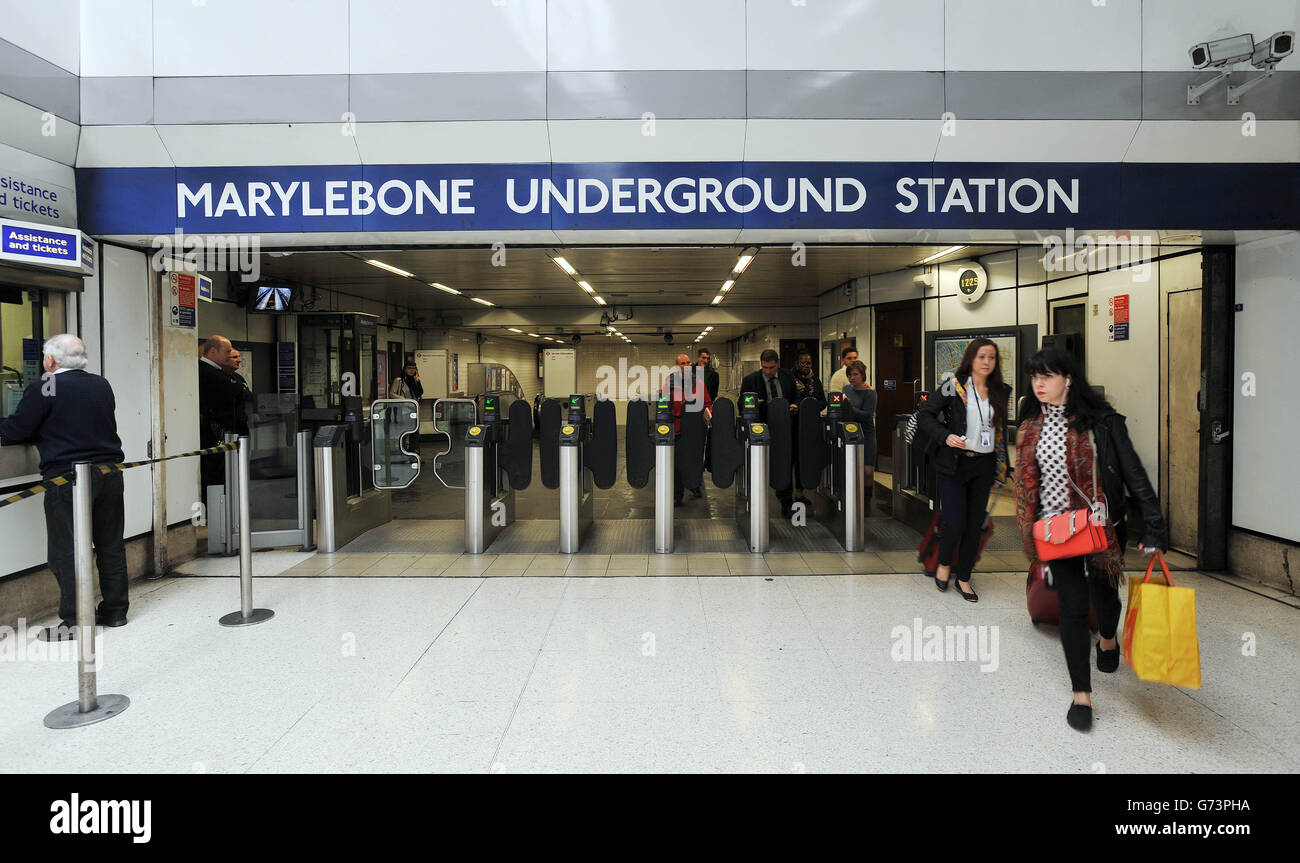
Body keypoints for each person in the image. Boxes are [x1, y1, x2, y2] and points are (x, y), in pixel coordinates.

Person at [1015, 347, 1167, 732]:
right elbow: (1027, 482)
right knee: (1072, 606)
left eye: (1047, 376)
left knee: (1104, 595)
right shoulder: (1030, 424)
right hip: (1056, 530)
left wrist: (1154, 525)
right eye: (1035, 377)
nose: (1039, 384)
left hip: (1102, 524)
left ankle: (1108, 639)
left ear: (1068, 378)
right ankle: (1081, 694)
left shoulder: (1103, 422)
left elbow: (1133, 473)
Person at [0, 335, 128, 641]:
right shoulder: (100, 383)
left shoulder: (48, 385)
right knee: (110, 544)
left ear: (49, 361)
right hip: (109, 472)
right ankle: (115, 612)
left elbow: (18, 429)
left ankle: (75, 621)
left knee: (66, 550)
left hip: (67, 478)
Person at [915, 338, 1010, 603]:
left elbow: (999, 431)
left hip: (984, 464)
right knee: (955, 521)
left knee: (974, 524)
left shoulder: (1001, 390)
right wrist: (944, 436)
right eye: (982, 357)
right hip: (954, 463)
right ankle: (944, 563)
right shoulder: (953, 387)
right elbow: (925, 416)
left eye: (991, 357)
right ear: (970, 359)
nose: (987, 362)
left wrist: (1003, 468)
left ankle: (964, 577)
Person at [740, 349, 798, 516]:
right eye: (764, 367)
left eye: (771, 368)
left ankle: (786, 502)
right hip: (762, 428)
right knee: (760, 465)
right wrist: (753, 404)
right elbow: (742, 403)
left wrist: (796, 405)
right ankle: (757, 502)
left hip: (785, 428)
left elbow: (796, 397)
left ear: (777, 365)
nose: (768, 371)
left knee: (784, 463)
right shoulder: (750, 381)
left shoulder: (787, 377)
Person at [659, 353, 713, 506]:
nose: (687, 365)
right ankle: (677, 494)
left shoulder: (698, 382)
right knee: (676, 464)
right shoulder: (669, 382)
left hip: (695, 429)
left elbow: (708, 403)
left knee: (694, 459)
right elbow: (664, 403)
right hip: (676, 429)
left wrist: (709, 413)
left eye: (689, 362)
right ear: (677, 366)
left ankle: (694, 485)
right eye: (683, 363)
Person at [198, 334, 246, 488]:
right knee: (215, 480)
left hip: (226, 436)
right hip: (213, 437)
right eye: (227, 352)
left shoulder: (222, 374)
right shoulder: (205, 373)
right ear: (213, 351)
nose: (229, 356)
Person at [840, 359, 878, 508]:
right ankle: (852, 500)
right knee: (853, 469)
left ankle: (867, 502)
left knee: (868, 470)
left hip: (867, 432)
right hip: (850, 431)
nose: (852, 378)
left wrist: (848, 406)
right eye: (849, 375)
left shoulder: (870, 393)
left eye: (855, 374)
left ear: (863, 375)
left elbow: (867, 415)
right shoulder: (846, 390)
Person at [790, 349, 826, 503]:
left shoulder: (815, 381)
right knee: (789, 459)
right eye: (803, 363)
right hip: (792, 426)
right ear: (797, 363)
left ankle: (799, 492)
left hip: (809, 426)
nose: (806, 365)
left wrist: (811, 408)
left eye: (809, 363)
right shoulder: (789, 378)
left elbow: (823, 401)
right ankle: (785, 492)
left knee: (803, 460)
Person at [695, 348, 720, 492]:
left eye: (708, 358)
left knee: (702, 444)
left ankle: (698, 476)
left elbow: (714, 394)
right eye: (703, 358)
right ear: (698, 358)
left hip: (704, 410)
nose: (706, 361)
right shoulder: (689, 371)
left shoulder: (713, 375)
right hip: (690, 411)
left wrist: (708, 410)